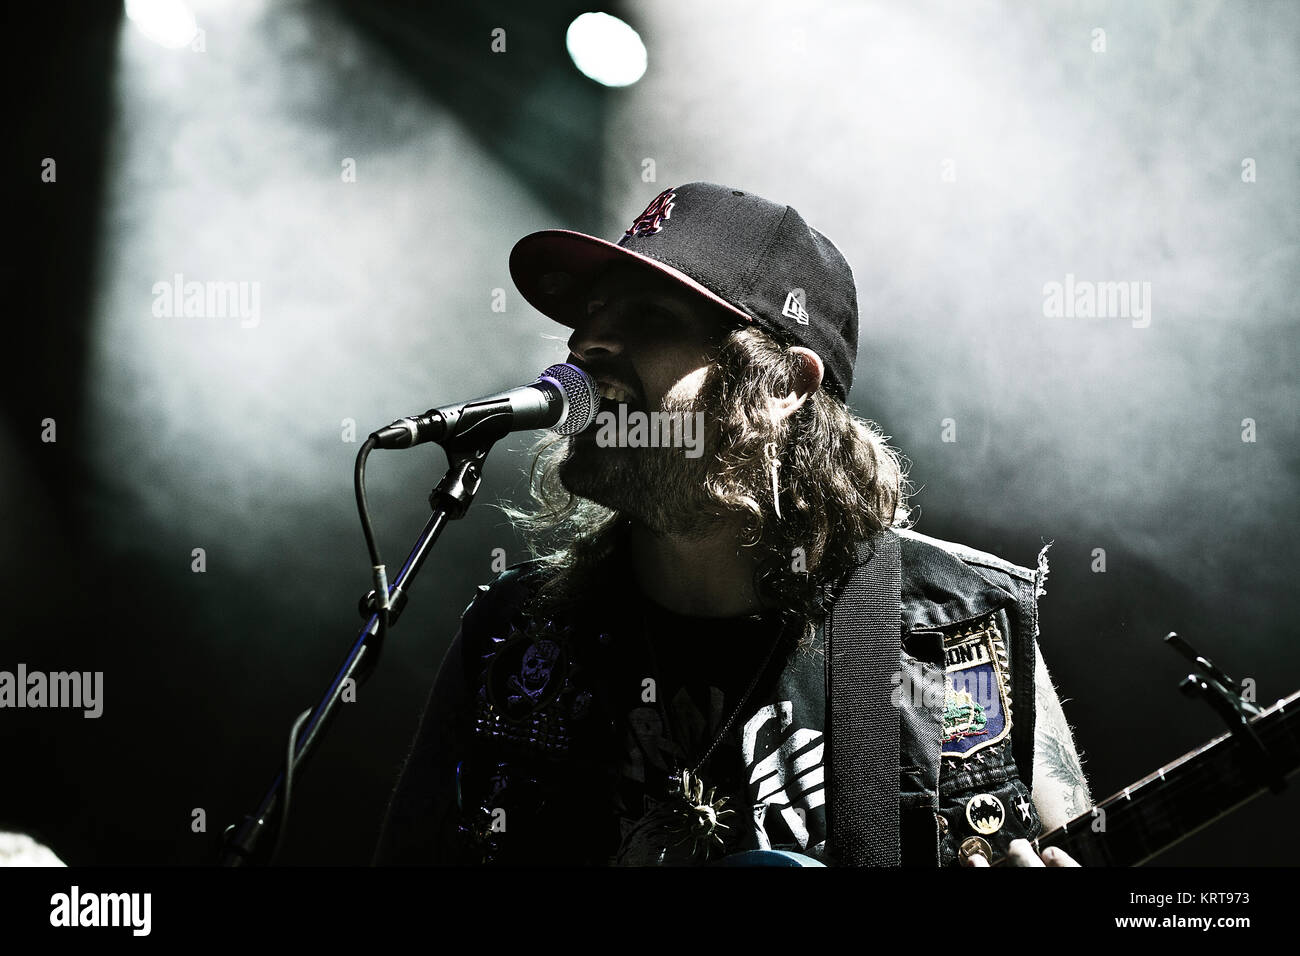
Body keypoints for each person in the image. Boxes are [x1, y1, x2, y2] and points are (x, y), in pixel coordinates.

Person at [374, 182, 1090, 867]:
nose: (584, 342)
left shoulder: (962, 627)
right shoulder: (514, 633)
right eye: (590, 312)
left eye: (648, 315)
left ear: (782, 386)